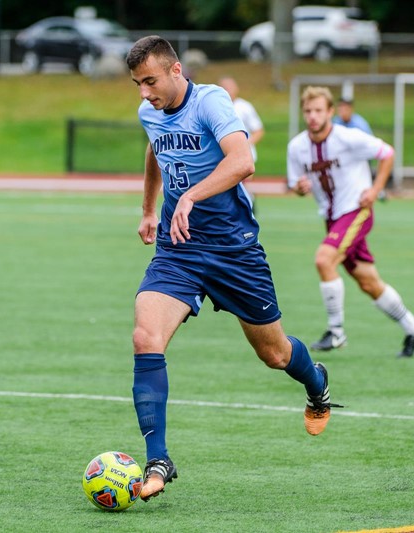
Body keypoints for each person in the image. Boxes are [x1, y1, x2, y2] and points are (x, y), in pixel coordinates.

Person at [125, 36, 341, 502]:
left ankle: (316, 382)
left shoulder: (210, 102)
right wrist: (148, 209)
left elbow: (242, 162)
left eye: (150, 81)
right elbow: (155, 150)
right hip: (179, 247)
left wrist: (190, 195)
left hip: (233, 251)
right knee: (146, 337)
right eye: (138, 83)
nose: (144, 92)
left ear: (176, 70)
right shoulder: (150, 112)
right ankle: (159, 458)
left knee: (275, 354)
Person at [287, 86, 414, 356]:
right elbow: (295, 183)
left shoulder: (348, 137)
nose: (313, 116)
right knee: (368, 282)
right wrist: (300, 188)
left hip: (355, 211)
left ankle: (336, 332)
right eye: (308, 111)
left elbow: (387, 153)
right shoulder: (297, 147)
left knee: (323, 260)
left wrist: (375, 190)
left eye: (318, 110)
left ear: (330, 111)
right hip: (331, 218)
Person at [218, 76, 264, 210]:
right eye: (223, 87)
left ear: (236, 89)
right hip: (223, 155)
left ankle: (249, 208)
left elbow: (258, 130)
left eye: (229, 87)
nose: (227, 90)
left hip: (244, 154)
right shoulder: (216, 107)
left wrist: (245, 144)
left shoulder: (245, 107)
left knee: (243, 185)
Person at [333, 96, 387, 201]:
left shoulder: (360, 124)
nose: (342, 111)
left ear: (350, 109)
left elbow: (371, 145)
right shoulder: (335, 122)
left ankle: (376, 190)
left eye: (345, 108)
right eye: (340, 108)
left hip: (360, 157)